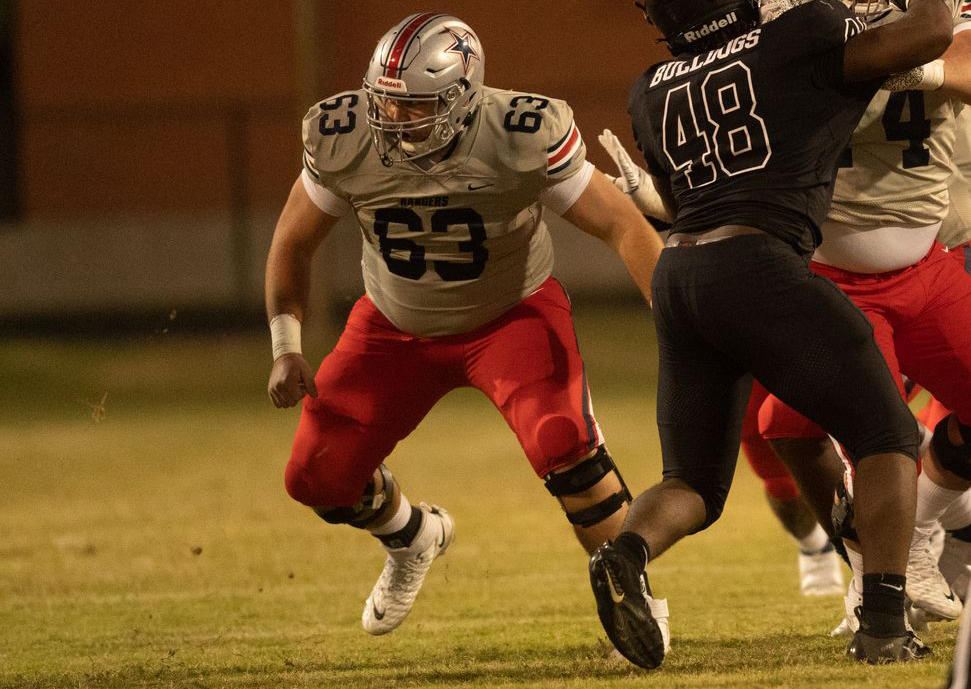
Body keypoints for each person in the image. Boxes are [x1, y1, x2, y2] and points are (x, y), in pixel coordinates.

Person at [264, 13, 665, 638]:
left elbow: (621, 223)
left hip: (511, 316)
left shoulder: (517, 131)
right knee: (316, 476)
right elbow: (292, 241)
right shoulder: (344, 135)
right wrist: (286, 344)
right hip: (392, 325)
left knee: (565, 443)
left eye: (415, 107)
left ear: (463, 97)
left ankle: (629, 600)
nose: (394, 121)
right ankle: (413, 537)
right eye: (386, 105)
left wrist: (671, 313)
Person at [586, 0, 952, 669]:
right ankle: (880, 625)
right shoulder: (798, 36)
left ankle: (624, 551)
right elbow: (929, 31)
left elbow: (681, 200)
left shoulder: (649, 89)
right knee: (889, 434)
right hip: (757, 263)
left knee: (691, 481)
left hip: (680, 273)